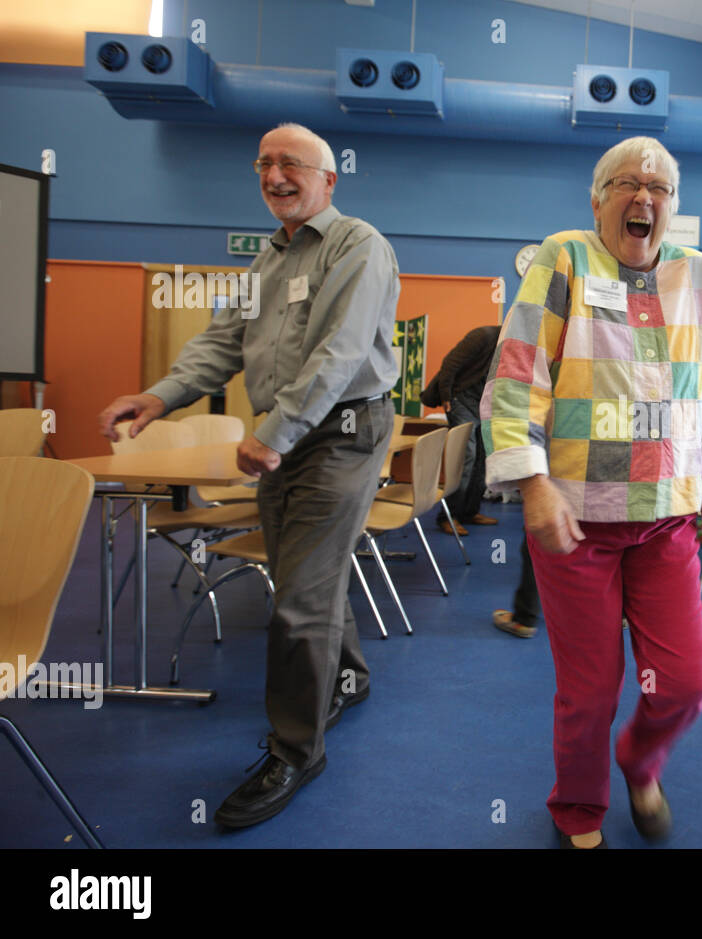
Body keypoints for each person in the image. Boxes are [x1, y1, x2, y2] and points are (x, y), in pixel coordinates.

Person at [97, 123, 398, 829]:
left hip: (340, 435)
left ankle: (297, 749)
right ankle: (346, 675)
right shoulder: (267, 261)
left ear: (329, 178)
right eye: (264, 163)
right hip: (285, 440)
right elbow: (224, 341)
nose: (274, 174)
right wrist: (160, 394)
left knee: (296, 596)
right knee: (308, 573)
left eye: (290, 162)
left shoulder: (358, 244)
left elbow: (341, 351)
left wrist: (276, 432)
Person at [480, 136, 702, 848]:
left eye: (659, 188)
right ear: (598, 200)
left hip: (667, 514)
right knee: (590, 688)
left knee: (683, 681)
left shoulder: (697, 272)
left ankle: (640, 759)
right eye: (627, 183)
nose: (644, 197)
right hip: (576, 517)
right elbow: (517, 374)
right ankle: (579, 808)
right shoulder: (564, 256)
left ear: (673, 208)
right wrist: (532, 482)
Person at [420, 324, 501, 535]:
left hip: (483, 405)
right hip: (460, 399)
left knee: (484, 458)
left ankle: (469, 512)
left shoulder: (514, 346)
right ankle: (448, 516)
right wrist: (447, 397)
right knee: (468, 454)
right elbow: (450, 364)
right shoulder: (483, 336)